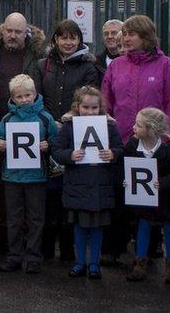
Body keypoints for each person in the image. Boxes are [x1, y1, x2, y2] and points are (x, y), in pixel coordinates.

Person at [101, 14, 170, 263]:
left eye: (131, 34)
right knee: (120, 194)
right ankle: (114, 248)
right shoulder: (116, 65)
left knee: (151, 198)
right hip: (123, 142)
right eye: (124, 34)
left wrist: (169, 136)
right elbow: (106, 100)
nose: (125, 38)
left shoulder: (166, 65)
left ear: (146, 36)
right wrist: (108, 131)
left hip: (153, 144)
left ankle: (148, 249)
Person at [0, 12, 46, 249]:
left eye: (18, 32)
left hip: (28, 124)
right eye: (9, 31)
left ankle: (25, 234)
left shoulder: (38, 55)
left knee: (26, 182)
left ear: (26, 33)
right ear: (2, 30)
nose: (13, 36)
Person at [35, 19, 99, 262]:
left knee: (68, 191)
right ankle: (46, 247)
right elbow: (37, 96)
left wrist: (69, 117)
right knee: (48, 192)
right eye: (64, 37)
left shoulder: (88, 67)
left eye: (73, 37)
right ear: (56, 39)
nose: (68, 42)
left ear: (80, 40)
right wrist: (50, 121)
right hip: (47, 130)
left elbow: (89, 98)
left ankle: (68, 247)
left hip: (75, 132)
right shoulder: (43, 64)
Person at [51, 86, 122, 279]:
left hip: (100, 185)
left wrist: (113, 154)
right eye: (85, 107)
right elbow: (56, 150)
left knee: (97, 227)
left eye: (94, 108)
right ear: (77, 106)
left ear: (100, 107)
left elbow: (119, 148)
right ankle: (80, 262)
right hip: (77, 185)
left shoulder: (109, 127)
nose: (90, 112)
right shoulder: (69, 126)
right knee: (80, 226)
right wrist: (70, 155)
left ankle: (94, 264)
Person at [0, 74, 57, 274]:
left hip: (36, 177)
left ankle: (33, 257)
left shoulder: (45, 118)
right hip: (12, 177)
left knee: (36, 219)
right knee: (14, 219)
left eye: (27, 95)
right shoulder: (7, 119)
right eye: (19, 97)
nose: (24, 100)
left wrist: (48, 145)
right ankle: (15, 256)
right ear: (12, 98)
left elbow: (56, 141)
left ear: (35, 93)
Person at [124, 108, 170, 284]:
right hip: (144, 198)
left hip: (167, 201)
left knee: (169, 229)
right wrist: (126, 181)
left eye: (138, 125)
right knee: (143, 226)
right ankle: (140, 264)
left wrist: (163, 183)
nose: (134, 127)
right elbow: (127, 167)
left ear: (150, 129)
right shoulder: (132, 146)